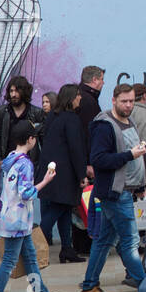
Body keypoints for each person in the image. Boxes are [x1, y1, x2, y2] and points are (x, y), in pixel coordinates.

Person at [79, 82, 146, 292]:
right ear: (114, 100)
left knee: (103, 241)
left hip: (126, 191)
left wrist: (140, 185)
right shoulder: (104, 125)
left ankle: (90, 287)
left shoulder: (128, 121)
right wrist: (130, 154)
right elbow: (99, 160)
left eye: (131, 101)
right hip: (115, 193)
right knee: (129, 244)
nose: (129, 105)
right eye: (124, 101)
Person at [0, 121, 67, 292]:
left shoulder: (10, 158)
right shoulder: (25, 164)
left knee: (30, 257)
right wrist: (45, 181)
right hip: (18, 220)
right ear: (30, 139)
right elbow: (26, 193)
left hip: (11, 217)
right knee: (9, 261)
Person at [37, 83, 89, 264]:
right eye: (78, 95)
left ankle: (67, 249)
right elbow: (76, 149)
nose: (80, 98)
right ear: (71, 98)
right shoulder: (71, 119)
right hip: (65, 173)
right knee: (57, 209)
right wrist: (82, 173)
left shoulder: (53, 115)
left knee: (64, 209)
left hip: (51, 170)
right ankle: (31, 247)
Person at [0, 75, 44, 165]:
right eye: (11, 91)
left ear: (24, 92)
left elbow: (42, 139)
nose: (13, 95)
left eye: (17, 91)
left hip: (30, 164)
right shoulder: (2, 112)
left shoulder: (36, 112)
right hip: (8, 161)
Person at [76, 65, 105, 145]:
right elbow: (89, 130)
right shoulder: (88, 101)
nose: (103, 82)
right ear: (95, 80)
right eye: (102, 79)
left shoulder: (77, 95)